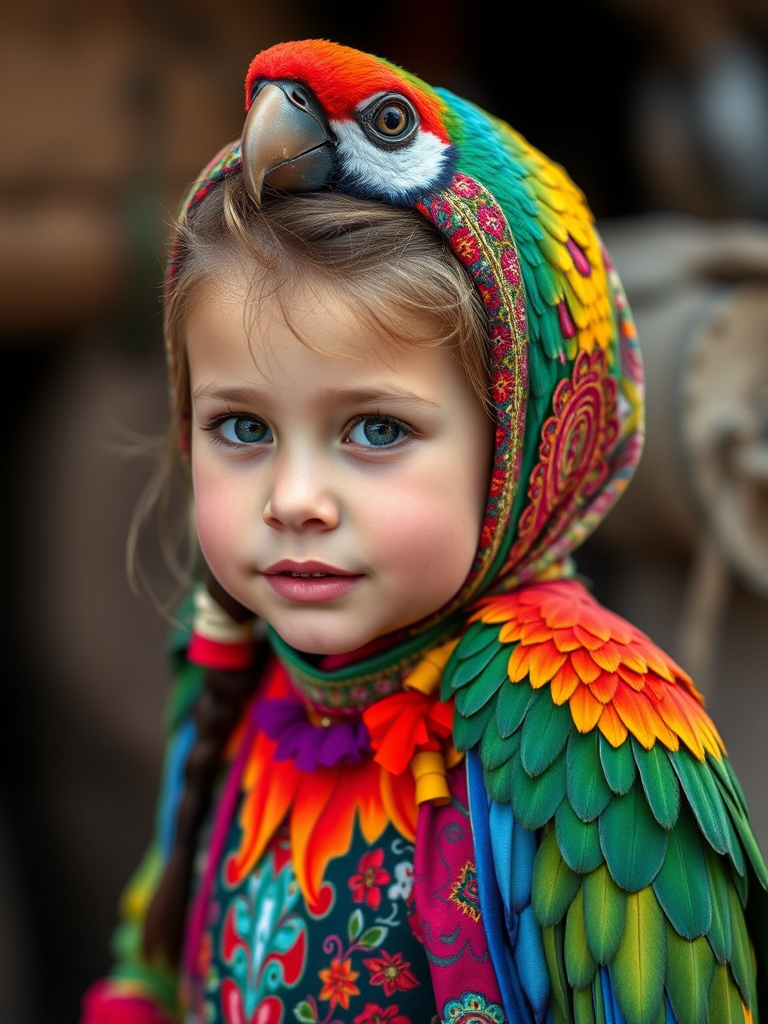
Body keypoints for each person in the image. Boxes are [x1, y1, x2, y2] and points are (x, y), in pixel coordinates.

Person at [81, 38, 767, 1024]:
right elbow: (157, 945)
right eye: (243, 428)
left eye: (376, 431)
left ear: (514, 448)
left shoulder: (587, 720)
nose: (295, 499)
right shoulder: (233, 653)